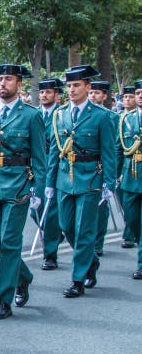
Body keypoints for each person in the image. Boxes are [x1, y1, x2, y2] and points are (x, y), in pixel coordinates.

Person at [0, 64, 45, 319]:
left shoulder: (31, 115)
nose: (3, 83)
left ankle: (2, 301)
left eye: (8, 79)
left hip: (18, 185)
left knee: (10, 243)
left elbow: (39, 156)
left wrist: (37, 188)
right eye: (0, 79)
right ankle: (23, 276)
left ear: (19, 84)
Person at [46, 65, 117, 298]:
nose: (72, 90)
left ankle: (77, 279)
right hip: (65, 178)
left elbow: (109, 151)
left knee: (84, 229)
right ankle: (91, 261)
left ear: (88, 87)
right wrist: (49, 182)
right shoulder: (60, 114)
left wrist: (109, 182)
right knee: (66, 227)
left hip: (90, 178)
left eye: (76, 85)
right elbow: (55, 151)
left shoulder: (101, 116)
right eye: (69, 86)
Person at [87, 81, 121, 257]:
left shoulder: (111, 116)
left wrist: (112, 175)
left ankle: (98, 242)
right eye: (91, 93)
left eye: (97, 93)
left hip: (100, 166)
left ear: (104, 96)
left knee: (100, 208)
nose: (93, 96)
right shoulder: (80, 115)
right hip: (83, 168)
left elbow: (113, 147)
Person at [38, 78, 66, 270]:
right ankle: (55, 234)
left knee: (51, 213)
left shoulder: (62, 115)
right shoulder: (34, 115)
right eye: (42, 92)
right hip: (36, 169)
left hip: (55, 167)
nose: (44, 95)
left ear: (57, 95)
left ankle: (50, 254)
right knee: (36, 210)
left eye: (48, 92)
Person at [121, 81, 142, 280]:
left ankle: (141, 264)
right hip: (130, 176)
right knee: (133, 220)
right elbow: (119, 150)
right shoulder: (126, 120)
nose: (140, 96)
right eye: (138, 93)